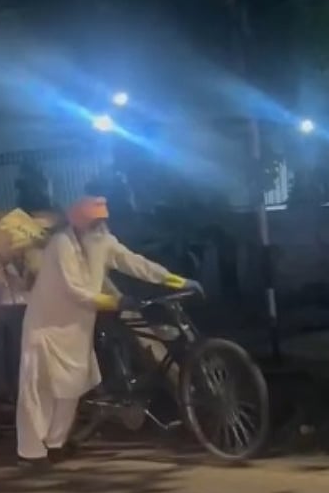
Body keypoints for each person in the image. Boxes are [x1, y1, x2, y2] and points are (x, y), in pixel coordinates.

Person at [15, 195, 202, 469]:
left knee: (71, 388)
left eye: (103, 220)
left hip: (77, 329)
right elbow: (75, 290)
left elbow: (136, 263)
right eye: (95, 221)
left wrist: (177, 281)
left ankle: (54, 445)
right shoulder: (61, 244)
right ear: (80, 223)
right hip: (45, 327)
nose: (101, 225)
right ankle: (30, 453)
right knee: (38, 390)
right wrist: (114, 301)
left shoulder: (103, 242)